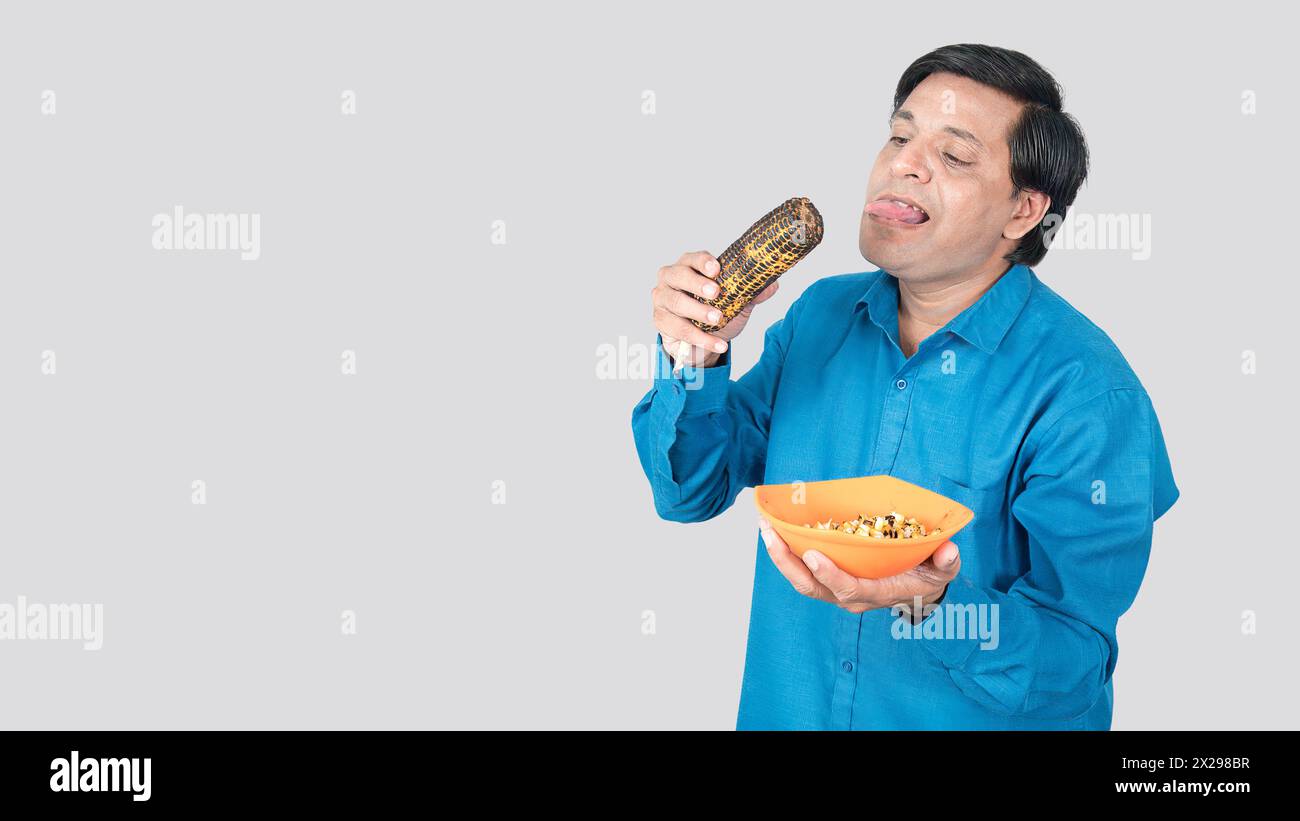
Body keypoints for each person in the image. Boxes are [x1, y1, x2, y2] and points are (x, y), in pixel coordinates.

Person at [630, 43, 1179, 730]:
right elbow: (688, 490)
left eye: (954, 156)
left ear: (1023, 211)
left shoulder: (1089, 396)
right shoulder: (819, 317)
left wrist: (932, 604)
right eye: (898, 136)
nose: (904, 164)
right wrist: (694, 353)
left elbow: (1073, 663)